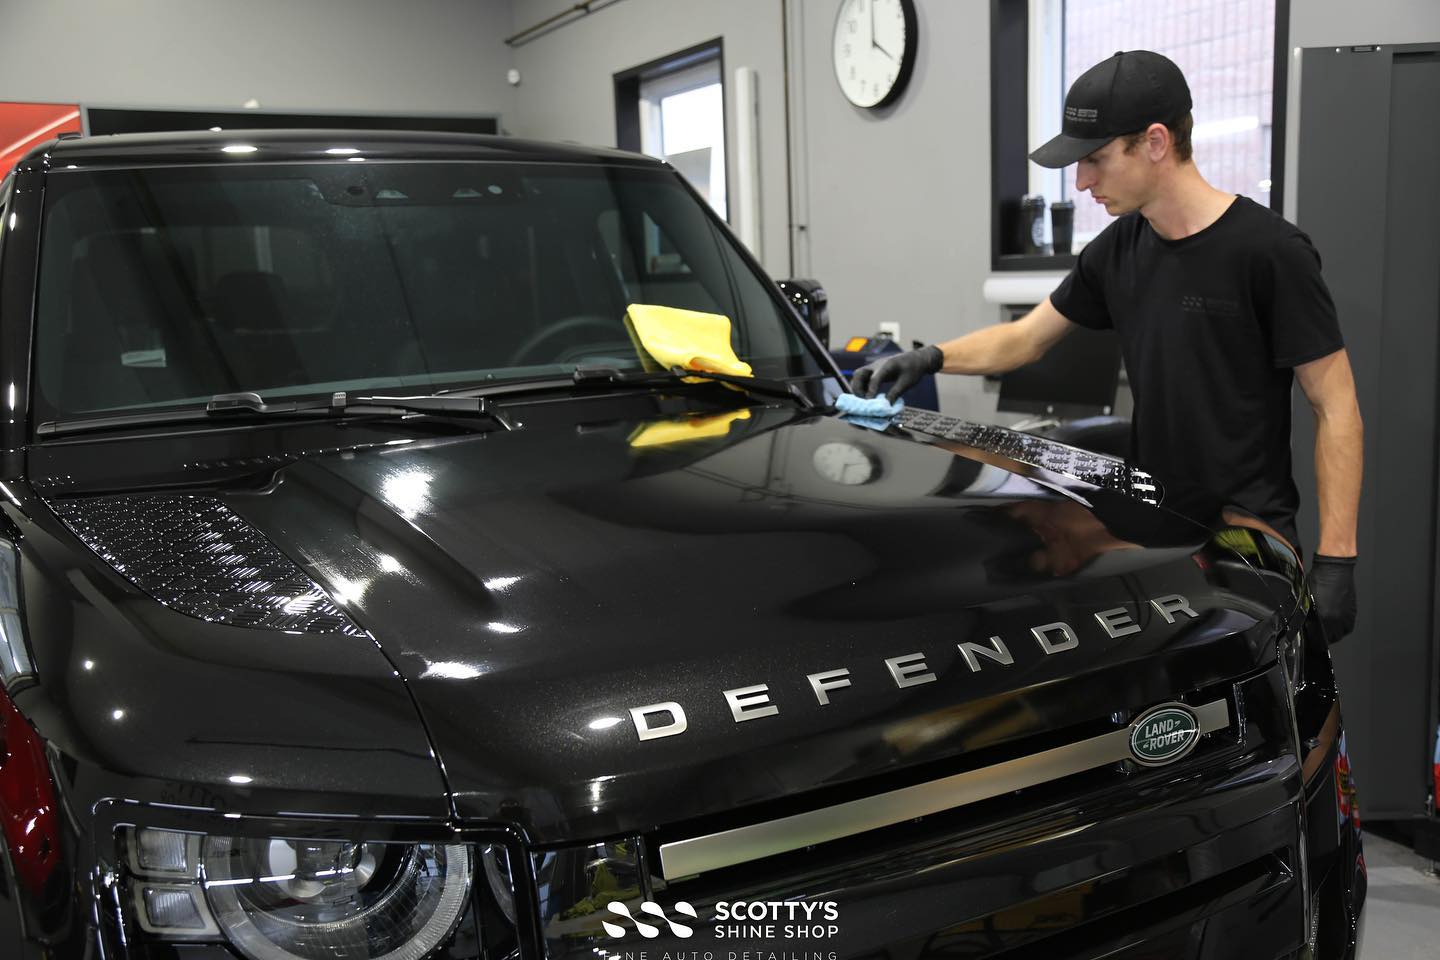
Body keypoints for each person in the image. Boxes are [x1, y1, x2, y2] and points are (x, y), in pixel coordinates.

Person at [852, 50, 1362, 642]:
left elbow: (1337, 407)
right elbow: (1023, 339)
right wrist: (928, 358)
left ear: (1154, 142)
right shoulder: (1117, 251)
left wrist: (1337, 562)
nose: (1081, 181)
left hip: (1246, 538)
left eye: (1094, 159)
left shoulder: (1270, 253)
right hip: (1153, 527)